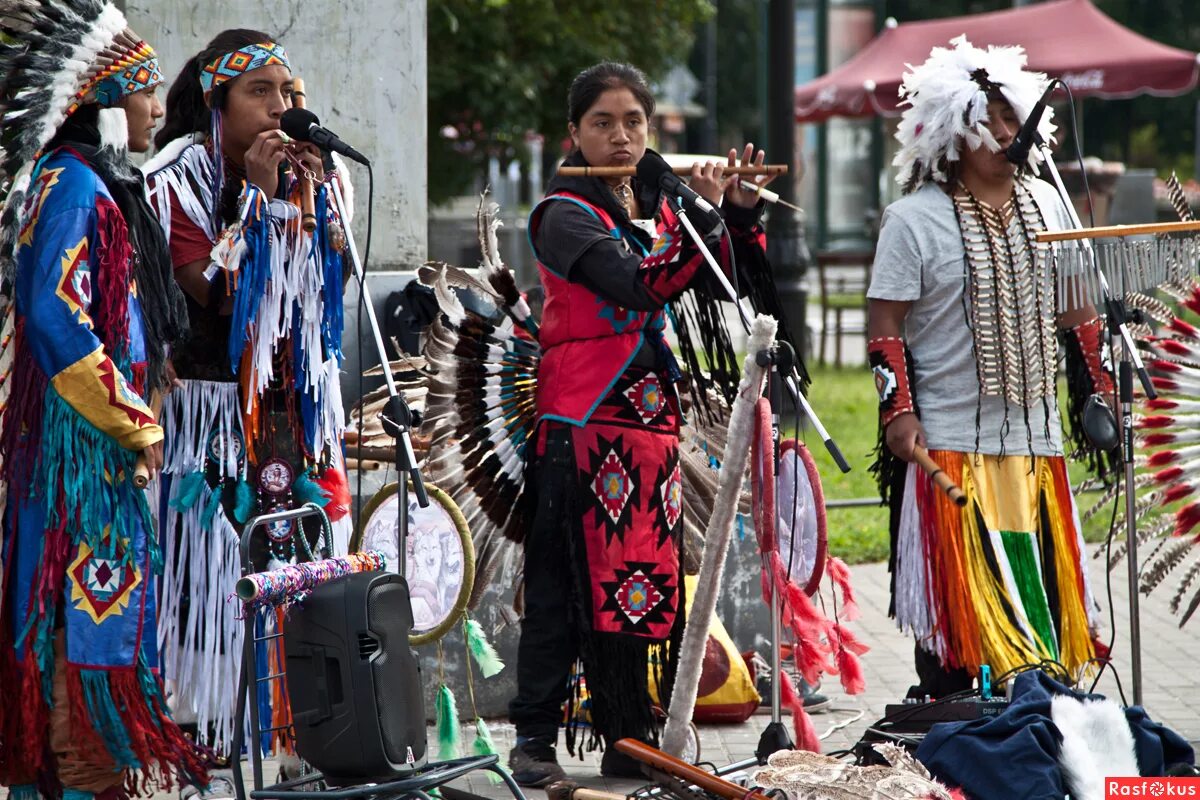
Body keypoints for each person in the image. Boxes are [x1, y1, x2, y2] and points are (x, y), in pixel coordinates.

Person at [508, 61, 774, 786]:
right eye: (603, 123)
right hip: (580, 424)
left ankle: (627, 731)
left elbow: (723, 286)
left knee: (637, 587)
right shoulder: (564, 214)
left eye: (634, 122)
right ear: (574, 134)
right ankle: (534, 740)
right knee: (562, 587)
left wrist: (739, 214)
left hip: (647, 431)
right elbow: (640, 282)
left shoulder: (653, 210)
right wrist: (702, 218)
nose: (621, 136)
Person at [0, 1, 205, 796]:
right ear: (107, 103)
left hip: (83, 447)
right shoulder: (73, 186)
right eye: (146, 90)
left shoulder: (83, 183)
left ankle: (73, 773)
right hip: (78, 451)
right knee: (80, 610)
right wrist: (129, 414)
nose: (157, 106)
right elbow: (54, 310)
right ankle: (82, 774)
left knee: (73, 607)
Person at [140, 28, 352, 787]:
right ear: (215, 102)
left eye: (288, 92)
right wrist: (258, 205)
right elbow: (218, 295)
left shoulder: (317, 177)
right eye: (260, 91)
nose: (280, 107)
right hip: (208, 416)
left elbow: (327, 295)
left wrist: (310, 202)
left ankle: (294, 730)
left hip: (291, 413)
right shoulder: (170, 182)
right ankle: (204, 726)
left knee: (294, 560)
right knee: (212, 568)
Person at [866, 36, 1107, 699]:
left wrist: (1103, 390)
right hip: (948, 443)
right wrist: (898, 411)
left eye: (1012, 117)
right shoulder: (912, 220)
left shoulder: (1052, 205)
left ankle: (1040, 711)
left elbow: (1077, 309)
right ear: (952, 130)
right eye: (990, 120)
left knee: (1041, 602)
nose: (1007, 133)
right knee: (959, 616)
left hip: (1035, 443)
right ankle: (953, 718)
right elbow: (884, 322)